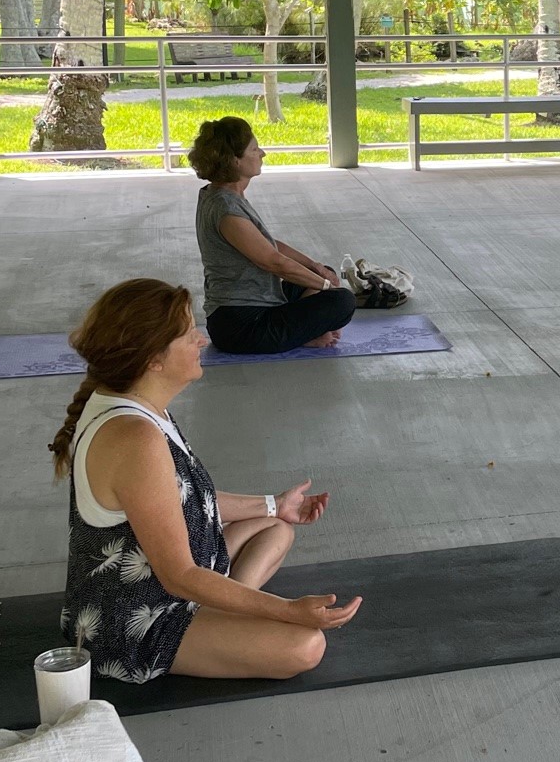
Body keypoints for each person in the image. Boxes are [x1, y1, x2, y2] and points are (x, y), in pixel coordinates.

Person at [49, 278, 361, 683]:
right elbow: (179, 575)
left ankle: (225, 606)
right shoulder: (134, 437)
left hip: (171, 582)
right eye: (186, 334)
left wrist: (275, 504)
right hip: (133, 621)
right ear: (153, 360)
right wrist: (285, 610)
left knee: (275, 527)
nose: (200, 340)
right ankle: (225, 608)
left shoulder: (137, 403)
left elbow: (185, 498)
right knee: (305, 645)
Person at [190, 115, 357, 355]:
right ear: (234, 160)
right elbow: (272, 262)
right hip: (243, 326)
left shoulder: (224, 195)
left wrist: (316, 267)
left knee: (321, 274)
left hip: (258, 307)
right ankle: (305, 336)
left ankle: (303, 329)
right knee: (342, 301)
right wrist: (324, 285)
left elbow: (267, 244)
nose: (262, 153)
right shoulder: (226, 209)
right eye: (255, 149)